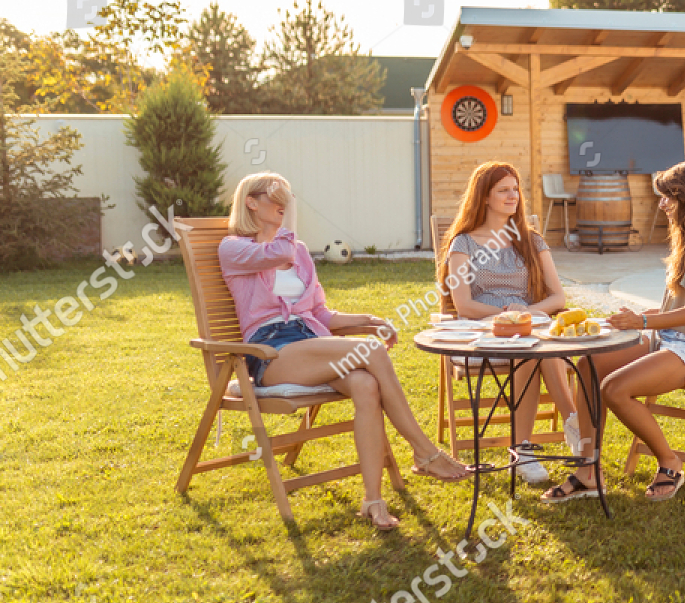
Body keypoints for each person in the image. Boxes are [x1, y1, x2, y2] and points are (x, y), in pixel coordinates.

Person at [219, 172, 469, 532]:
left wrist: (368, 320)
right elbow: (279, 251)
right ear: (250, 202)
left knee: (366, 385)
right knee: (371, 352)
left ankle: (373, 500)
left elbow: (319, 313)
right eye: (273, 195)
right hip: (270, 352)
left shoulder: (301, 253)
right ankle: (425, 452)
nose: (282, 201)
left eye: (286, 195)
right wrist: (289, 211)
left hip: (310, 343)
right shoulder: (234, 248)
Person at [540, 161, 685, 505]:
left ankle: (670, 463)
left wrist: (642, 324)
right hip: (670, 337)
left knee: (614, 389)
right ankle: (587, 470)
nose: (662, 204)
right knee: (587, 365)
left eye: (667, 198)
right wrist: (641, 317)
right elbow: (679, 307)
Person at [439, 162, 580, 485]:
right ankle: (569, 434)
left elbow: (557, 298)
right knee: (533, 351)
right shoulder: (465, 243)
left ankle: (536, 443)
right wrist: (507, 318)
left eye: (515, 189)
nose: (512, 195)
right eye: (503, 189)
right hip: (483, 332)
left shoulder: (531, 241)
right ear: (484, 197)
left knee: (536, 347)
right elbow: (463, 304)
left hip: (530, 329)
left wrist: (526, 315)